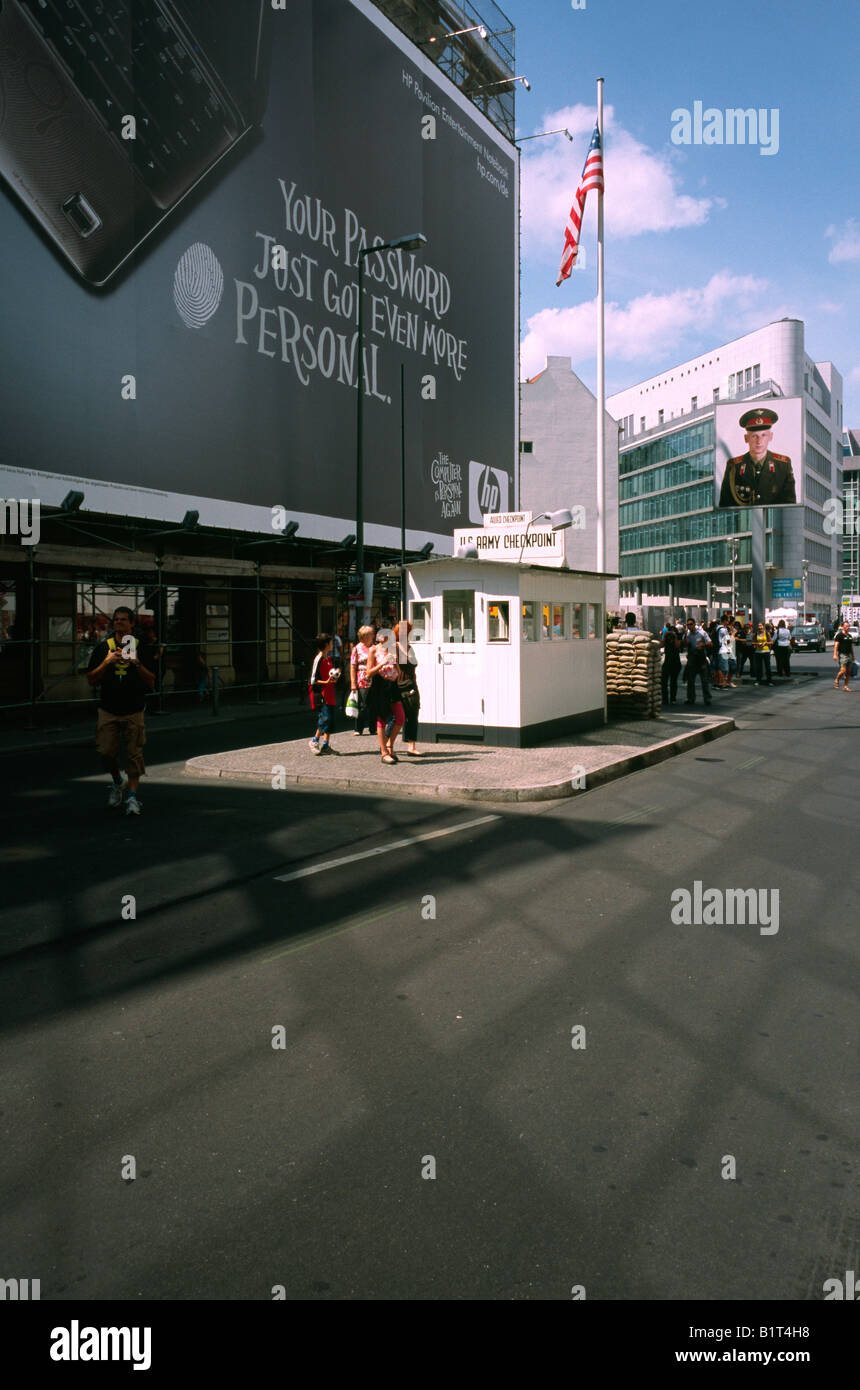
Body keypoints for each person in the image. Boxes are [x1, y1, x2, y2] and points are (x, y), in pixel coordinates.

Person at [86, 606, 156, 815]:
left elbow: (152, 681)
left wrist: (136, 663)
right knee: (105, 751)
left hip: (133, 708)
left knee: (134, 754)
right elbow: (91, 678)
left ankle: (132, 799)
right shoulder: (103, 647)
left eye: (124, 620)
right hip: (108, 709)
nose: (119, 623)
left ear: (132, 624)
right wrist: (107, 662)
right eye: (116, 619)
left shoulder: (142, 647)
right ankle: (118, 782)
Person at [718, 407, 796, 507]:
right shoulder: (734, 466)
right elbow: (725, 505)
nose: (759, 441)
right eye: (754, 436)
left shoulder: (783, 465)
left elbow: (790, 506)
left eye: (763, 435)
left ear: (770, 437)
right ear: (746, 438)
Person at [365, 629, 404, 764]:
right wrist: (382, 664)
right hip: (379, 685)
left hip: (392, 685)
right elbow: (368, 673)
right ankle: (384, 752)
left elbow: (398, 673)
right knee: (381, 718)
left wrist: (395, 663)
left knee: (400, 717)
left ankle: (389, 745)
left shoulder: (392, 650)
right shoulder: (373, 650)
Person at [392, 620, 422, 756]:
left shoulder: (408, 647)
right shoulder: (394, 647)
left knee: (412, 714)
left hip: (410, 682)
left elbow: (414, 663)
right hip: (399, 684)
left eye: (408, 632)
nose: (407, 634)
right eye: (404, 632)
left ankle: (411, 745)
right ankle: (388, 745)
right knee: (396, 717)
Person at [308, 632, 339, 754]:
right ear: (326, 645)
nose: (332, 644)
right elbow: (312, 679)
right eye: (331, 642)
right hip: (321, 694)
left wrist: (334, 678)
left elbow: (328, 675)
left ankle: (326, 745)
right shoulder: (318, 658)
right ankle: (314, 741)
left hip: (330, 693)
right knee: (324, 718)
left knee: (330, 719)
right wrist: (326, 681)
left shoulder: (328, 658)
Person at [349, 624, 375, 735]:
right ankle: (358, 728)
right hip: (362, 678)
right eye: (370, 634)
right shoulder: (357, 648)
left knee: (374, 704)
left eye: (372, 634)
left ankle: (373, 728)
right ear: (363, 636)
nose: (373, 636)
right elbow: (353, 666)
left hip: (375, 677)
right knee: (362, 705)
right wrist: (353, 683)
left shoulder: (374, 647)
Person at [683, 618, 712, 705]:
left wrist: (703, 644)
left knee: (704, 680)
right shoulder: (687, 634)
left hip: (701, 658)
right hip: (692, 658)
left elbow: (710, 643)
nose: (689, 626)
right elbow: (685, 644)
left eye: (691, 624)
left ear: (694, 624)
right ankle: (691, 698)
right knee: (690, 680)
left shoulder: (702, 633)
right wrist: (685, 635)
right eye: (688, 625)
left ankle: (707, 698)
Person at [661, 622, 682, 705]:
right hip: (667, 662)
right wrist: (665, 636)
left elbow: (678, 646)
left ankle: (673, 698)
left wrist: (675, 636)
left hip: (675, 662)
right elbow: (661, 645)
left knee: (673, 681)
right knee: (664, 682)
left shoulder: (678, 637)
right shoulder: (667, 638)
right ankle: (665, 699)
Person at [833, 620, 854, 692]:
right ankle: (837, 679)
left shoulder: (850, 636)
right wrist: (835, 655)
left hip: (849, 655)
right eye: (846, 626)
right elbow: (836, 646)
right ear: (843, 627)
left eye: (848, 626)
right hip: (842, 655)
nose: (848, 627)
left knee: (848, 672)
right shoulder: (839, 635)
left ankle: (846, 686)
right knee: (842, 671)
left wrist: (853, 655)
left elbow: (851, 647)